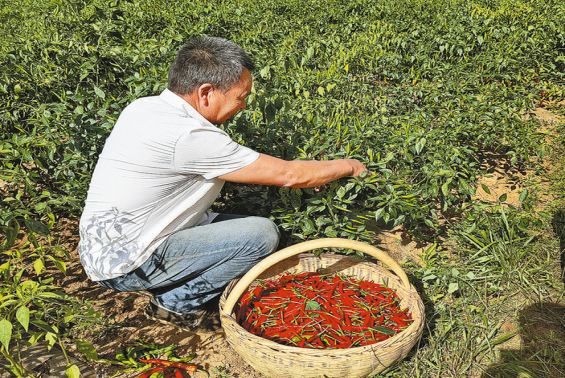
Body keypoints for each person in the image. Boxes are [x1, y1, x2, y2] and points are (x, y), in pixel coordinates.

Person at [77, 36, 367, 333]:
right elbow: (290, 175)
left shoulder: (145, 107)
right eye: (240, 97)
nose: (242, 106)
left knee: (253, 232)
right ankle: (174, 305)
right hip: (127, 264)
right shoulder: (189, 137)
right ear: (206, 92)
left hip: (107, 246)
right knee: (260, 234)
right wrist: (350, 167)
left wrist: (317, 173)